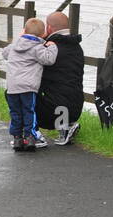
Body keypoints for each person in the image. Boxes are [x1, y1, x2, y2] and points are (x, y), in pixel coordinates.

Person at [0, 17, 59, 152]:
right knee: (29, 111)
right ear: (43, 34)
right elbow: (49, 59)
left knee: (15, 112)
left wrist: (18, 39)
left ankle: (17, 138)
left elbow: (4, 53)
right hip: (28, 87)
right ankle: (30, 137)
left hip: (12, 87)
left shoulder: (14, 46)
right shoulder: (37, 48)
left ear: (24, 31)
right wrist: (52, 46)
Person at [36, 10, 85, 145]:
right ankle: (65, 127)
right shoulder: (77, 48)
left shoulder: (49, 49)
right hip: (75, 108)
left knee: (16, 93)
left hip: (54, 111)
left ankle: (33, 133)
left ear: (49, 27)